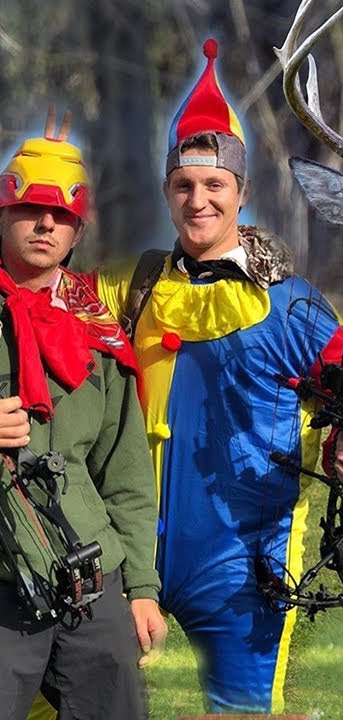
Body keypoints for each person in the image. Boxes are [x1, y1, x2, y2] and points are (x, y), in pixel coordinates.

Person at [91, 39, 343, 714]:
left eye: (214, 186)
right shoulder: (130, 288)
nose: (199, 201)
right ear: (168, 191)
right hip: (123, 551)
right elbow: (42, 310)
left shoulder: (292, 307)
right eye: (184, 186)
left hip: (245, 561)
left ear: (242, 192)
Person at [0, 108, 166, 720]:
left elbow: (124, 473)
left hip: (87, 577)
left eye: (62, 215)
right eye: (31, 209)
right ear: (3, 211)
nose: (45, 224)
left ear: (76, 231)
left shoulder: (97, 329)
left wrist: (143, 590)